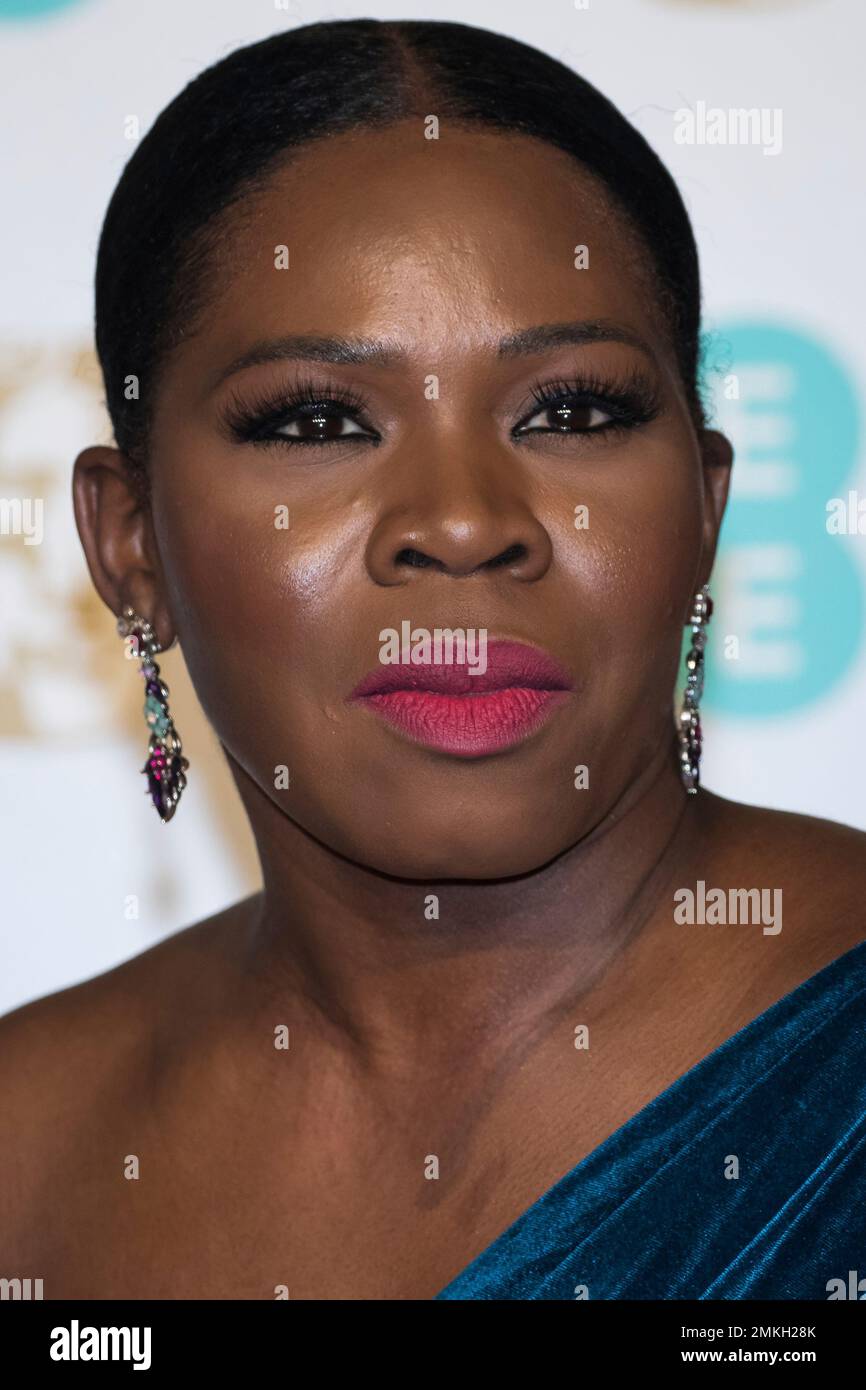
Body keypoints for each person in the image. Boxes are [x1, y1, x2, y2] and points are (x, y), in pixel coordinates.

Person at [1, 17, 864, 1301]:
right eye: (319, 419)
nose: (462, 523)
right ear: (130, 545)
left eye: (570, 411)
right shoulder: (30, 1144)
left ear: (703, 507)